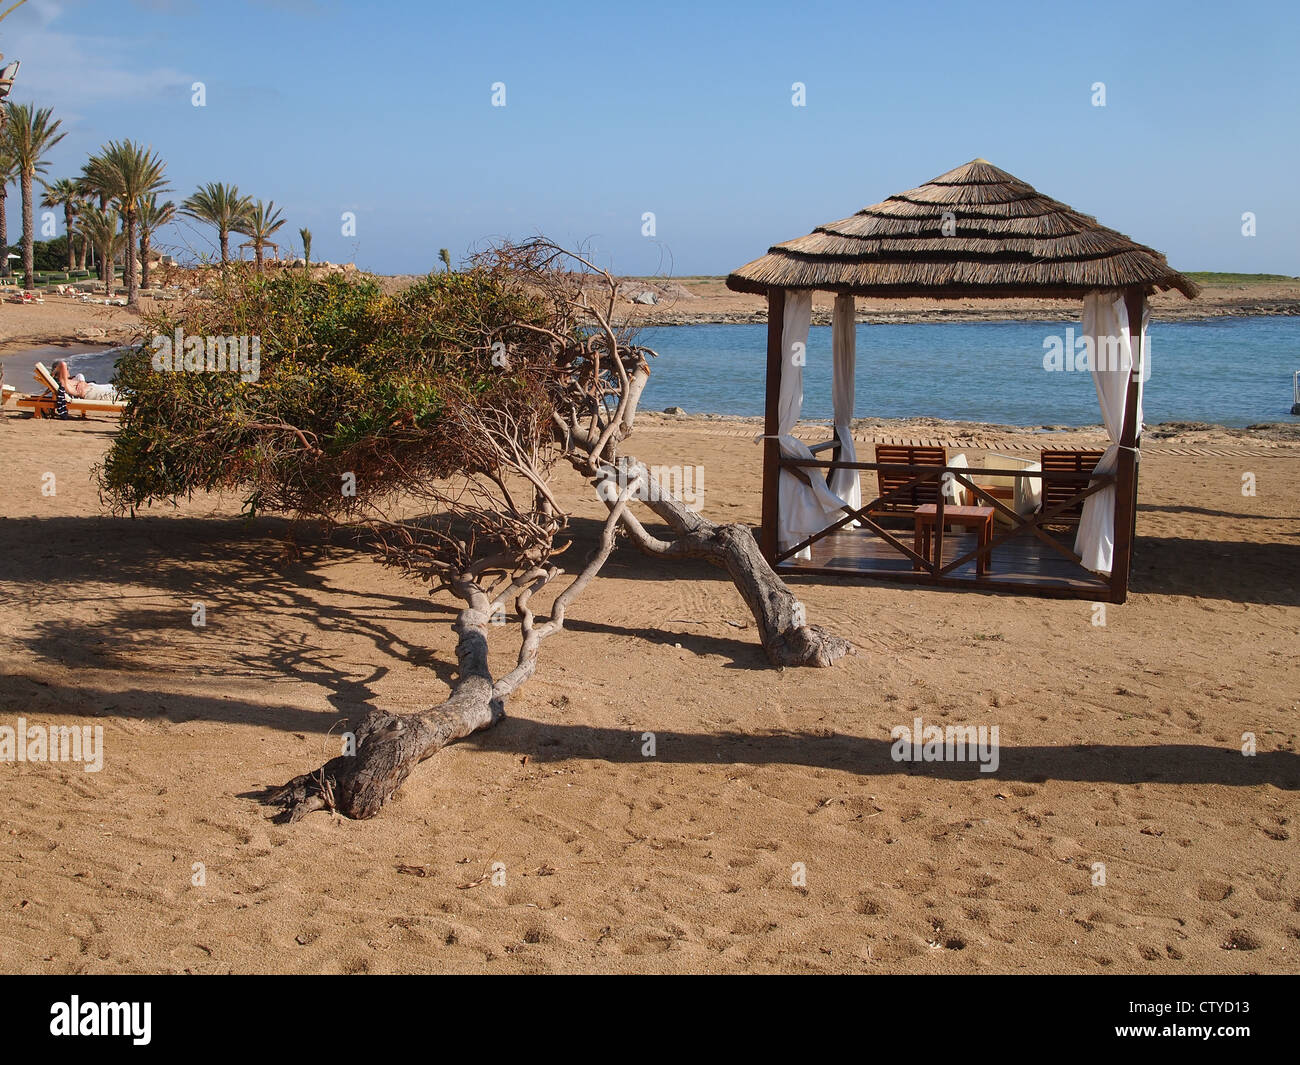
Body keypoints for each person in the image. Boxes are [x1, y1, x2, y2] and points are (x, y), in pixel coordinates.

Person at [52, 359, 122, 403]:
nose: (67, 370)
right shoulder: (64, 383)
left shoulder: (71, 380)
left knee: (123, 389)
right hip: (94, 393)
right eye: (66, 369)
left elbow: (79, 375)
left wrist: (81, 382)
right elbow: (63, 364)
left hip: (97, 388)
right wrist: (53, 373)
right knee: (124, 394)